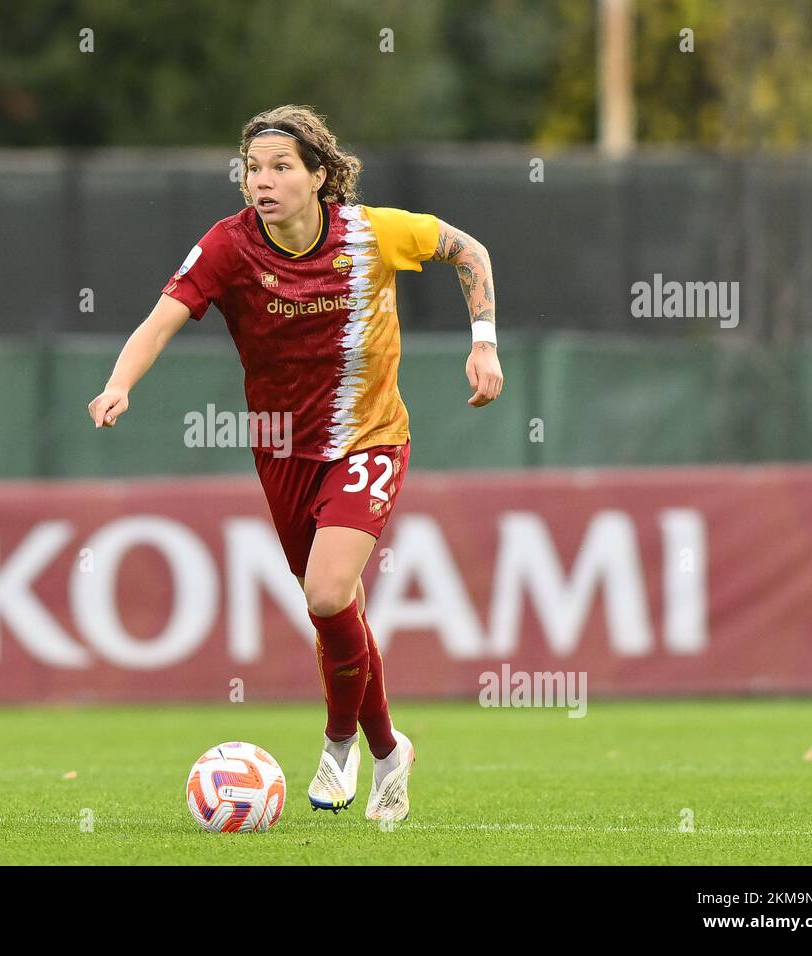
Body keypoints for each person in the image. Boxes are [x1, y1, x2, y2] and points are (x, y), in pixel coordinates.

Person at [87, 104, 502, 821]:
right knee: (342, 614)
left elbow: (468, 250)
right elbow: (161, 318)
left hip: (370, 439)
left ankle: (339, 743)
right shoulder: (227, 246)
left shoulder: (373, 233)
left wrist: (485, 341)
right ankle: (388, 751)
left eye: (281, 167)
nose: (263, 181)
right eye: (253, 168)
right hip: (282, 451)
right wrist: (119, 383)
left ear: (319, 176)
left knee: (326, 594)